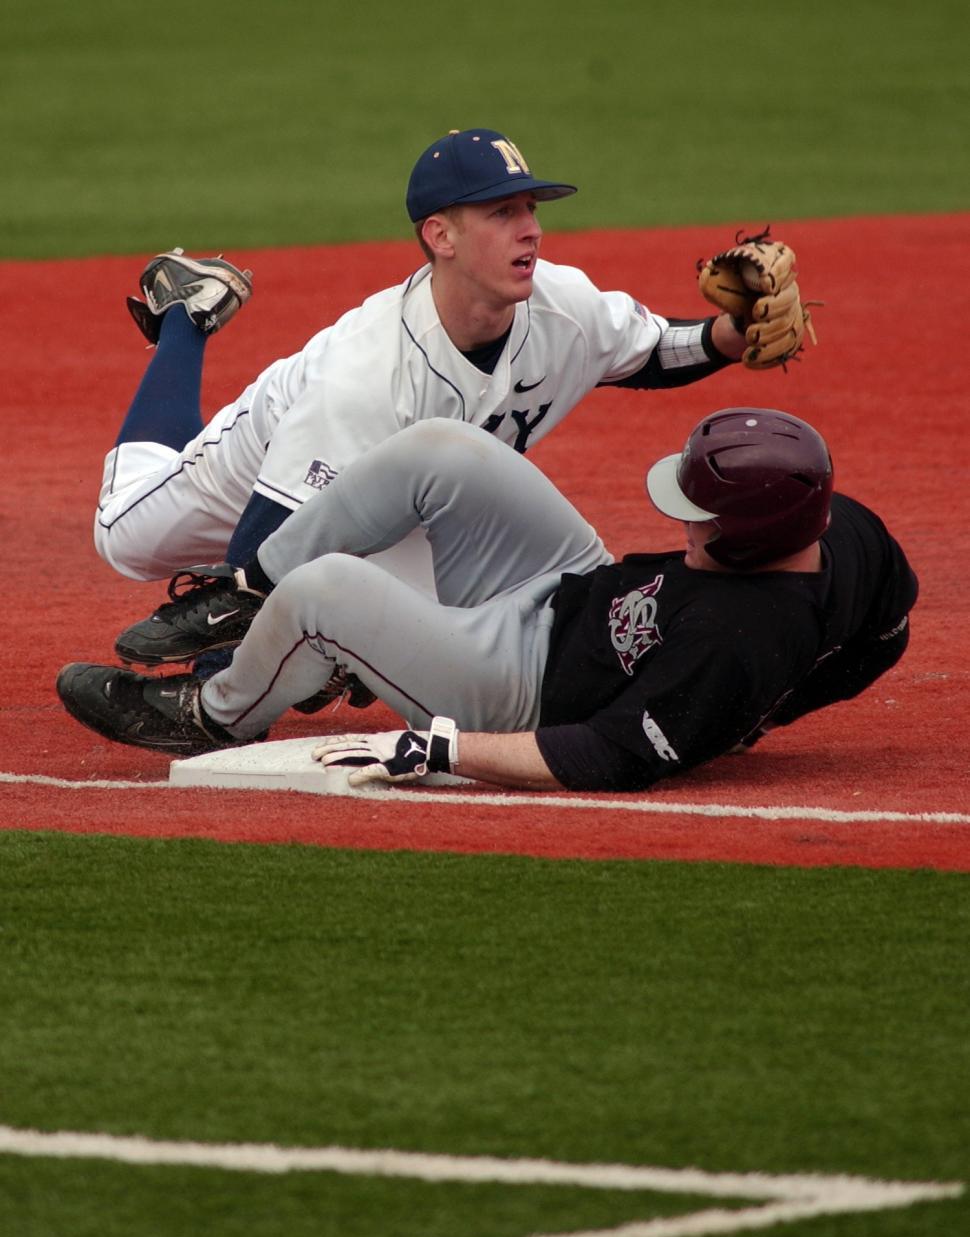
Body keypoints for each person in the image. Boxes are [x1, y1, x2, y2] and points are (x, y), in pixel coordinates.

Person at [94, 126, 806, 676]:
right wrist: (221, 688)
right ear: (441, 236)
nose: (531, 228)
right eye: (503, 212)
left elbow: (649, 350)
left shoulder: (564, 304)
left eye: (531, 208)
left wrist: (727, 334)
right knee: (125, 537)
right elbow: (266, 548)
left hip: (390, 506)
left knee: (413, 627)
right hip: (266, 472)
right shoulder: (369, 371)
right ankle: (188, 313)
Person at [58, 407, 918, 793]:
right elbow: (892, 627)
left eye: (701, 515)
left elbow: (611, 758)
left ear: (756, 536)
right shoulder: (847, 529)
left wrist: (443, 747)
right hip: (568, 583)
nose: (682, 521)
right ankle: (252, 593)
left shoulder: (738, 641)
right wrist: (784, 699)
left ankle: (213, 710)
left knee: (327, 595)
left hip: (517, 689)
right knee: (443, 451)